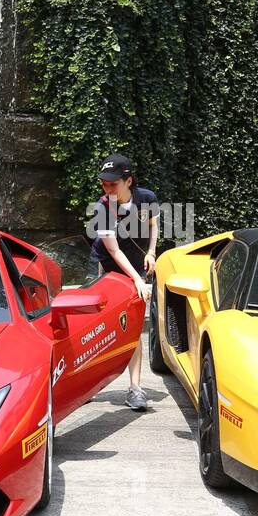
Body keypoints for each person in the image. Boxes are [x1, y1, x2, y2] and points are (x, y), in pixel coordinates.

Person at [89, 154, 157, 411]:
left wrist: (151, 253)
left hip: (135, 260)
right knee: (99, 323)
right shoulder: (103, 206)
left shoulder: (146, 198)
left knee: (134, 324)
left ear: (128, 181)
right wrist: (137, 279)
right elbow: (114, 252)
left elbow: (153, 225)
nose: (107, 188)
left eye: (113, 184)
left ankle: (135, 388)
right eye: (104, 184)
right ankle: (92, 383)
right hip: (107, 263)